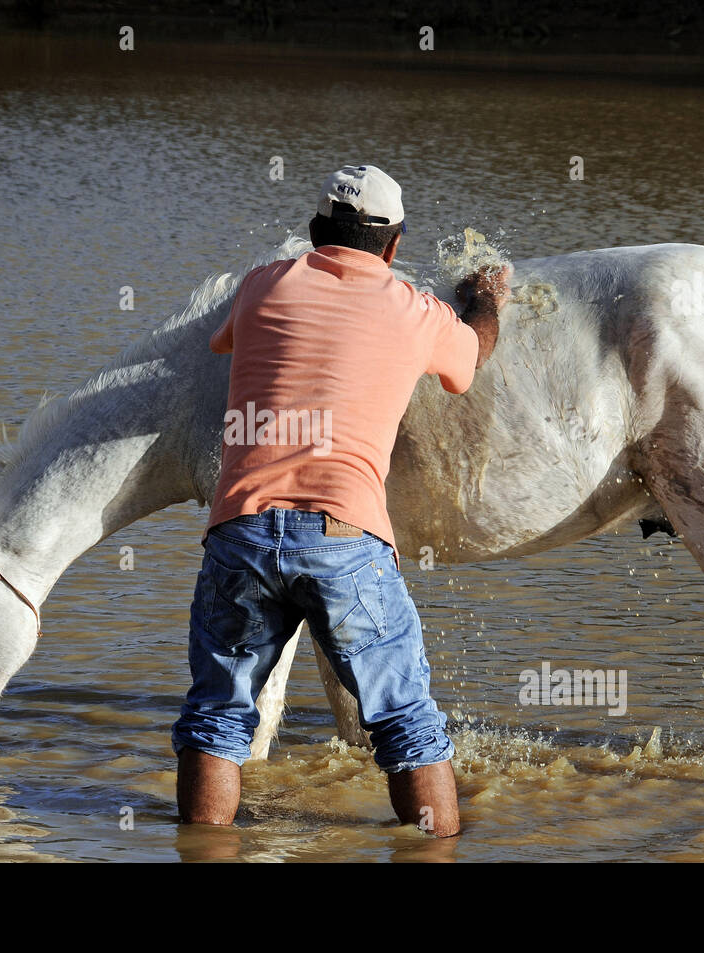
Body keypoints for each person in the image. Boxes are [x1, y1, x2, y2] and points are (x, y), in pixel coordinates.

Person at [171, 164, 510, 836]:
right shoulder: (410, 309)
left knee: (216, 718)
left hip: (240, 527)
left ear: (315, 230)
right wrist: (487, 298)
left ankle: (203, 850)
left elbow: (230, 339)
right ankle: (433, 850)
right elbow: (469, 361)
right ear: (392, 246)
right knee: (408, 723)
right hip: (342, 538)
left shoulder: (262, 285)